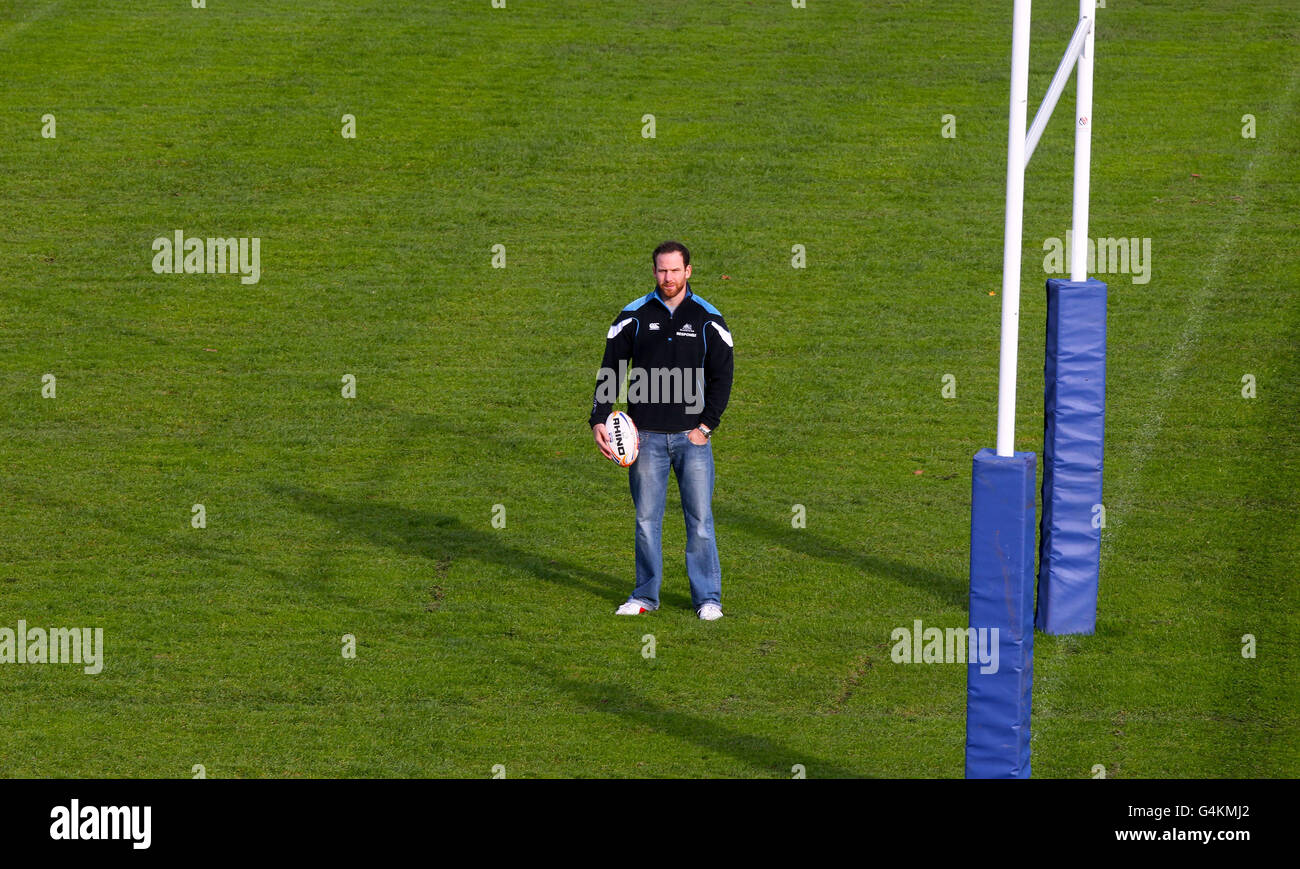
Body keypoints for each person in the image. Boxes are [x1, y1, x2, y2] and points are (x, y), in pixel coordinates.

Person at [589, 241, 734, 620]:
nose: (667, 277)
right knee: (645, 520)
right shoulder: (634, 316)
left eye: (674, 270)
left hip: (692, 438)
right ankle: (644, 597)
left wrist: (706, 426)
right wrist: (599, 418)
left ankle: (708, 600)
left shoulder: (707, 318)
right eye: (661, 270)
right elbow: (611, 369)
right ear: (654, 271)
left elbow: (723, 376)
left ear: (689, 271)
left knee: (700, 521)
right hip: (644, 438)